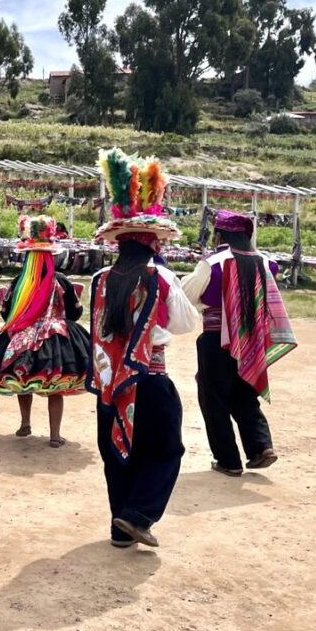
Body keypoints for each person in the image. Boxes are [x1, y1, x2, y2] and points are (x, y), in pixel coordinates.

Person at [87, 149, 199, 549]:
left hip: (111, 385)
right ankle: (137, 516)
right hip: (150, 379)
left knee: (117, 453)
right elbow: (186, 323)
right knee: (165, 449)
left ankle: (121, 530)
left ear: (119, 243)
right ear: (154, 243)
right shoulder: (162, 278)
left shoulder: (99, 279)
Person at [181, 210, 296, 476]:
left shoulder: (213, 263)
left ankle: (228, 460)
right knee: (245, 394)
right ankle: (260, 447)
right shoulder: (267, 263)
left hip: (216, 339)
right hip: (251, 339)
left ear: (220, 234)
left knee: (214, 400)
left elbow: (188, 294)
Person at [0, 215, 90, 447]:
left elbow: (6, 312)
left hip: (22, 339)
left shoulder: (19, 282)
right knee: (56, 387)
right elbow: (74, 313)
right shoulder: (61, 281)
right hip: (57, 339)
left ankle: (25, 424)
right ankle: (54, 436)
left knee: (23, 379)